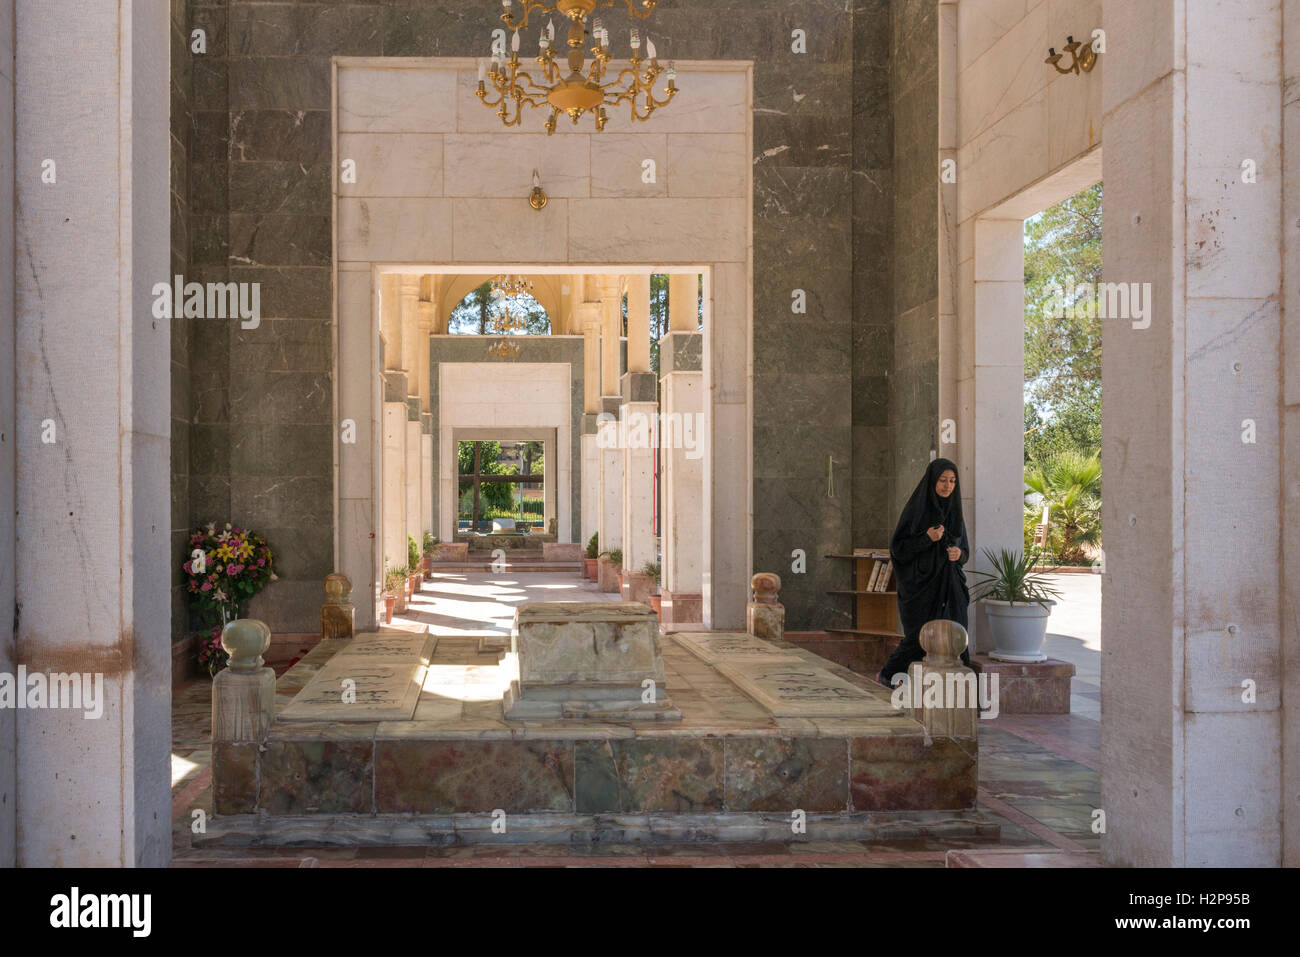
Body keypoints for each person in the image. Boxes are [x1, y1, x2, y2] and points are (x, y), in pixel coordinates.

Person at [877, 457, 971, 688]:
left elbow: (965, 549)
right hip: (921, 588)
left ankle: (962, 692)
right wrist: (926, 539)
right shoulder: (917, 511)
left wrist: (959, 555)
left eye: (952, 481)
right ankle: (889, 674)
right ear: (932, 481)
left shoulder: (954, 512)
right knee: (920, 636)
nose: (948, 486)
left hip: (950, 587)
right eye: (942, 480)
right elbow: (899, 550)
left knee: (957, 635)